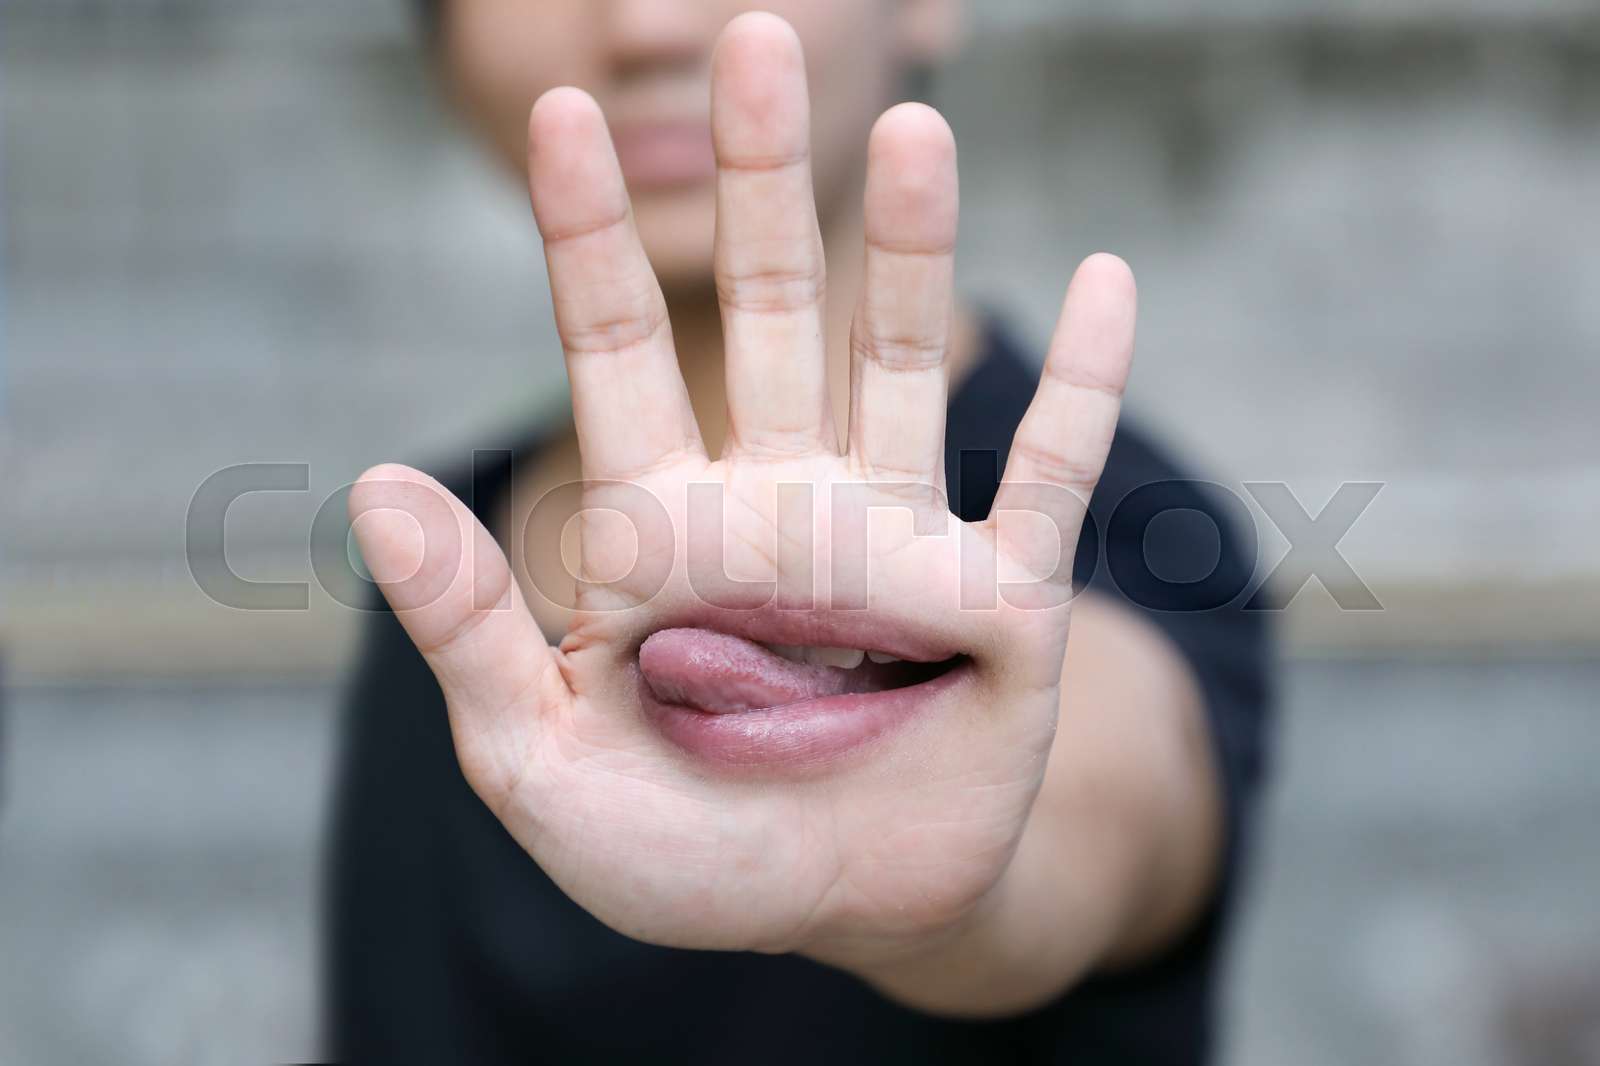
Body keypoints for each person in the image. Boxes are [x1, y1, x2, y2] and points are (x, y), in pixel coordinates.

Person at [325, 4, 1272, 1063]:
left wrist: (956, 893)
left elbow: (1097, 788)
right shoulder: (446, 560)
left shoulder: (1119, 525)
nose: (648, 25)